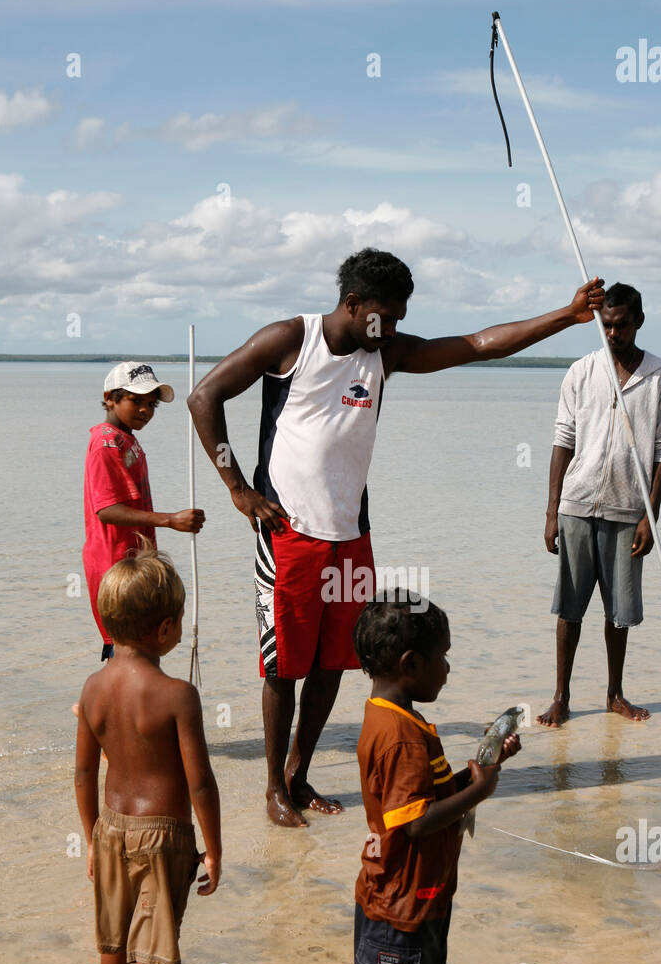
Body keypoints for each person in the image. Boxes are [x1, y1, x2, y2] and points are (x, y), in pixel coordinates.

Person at [188, 248, 602, 826]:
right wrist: (236, 487)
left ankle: (298, 775)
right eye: (387, 316)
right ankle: (271, 789)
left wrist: (566, 315)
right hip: (287, 535)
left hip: (351, 536)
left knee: (334, 664)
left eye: (402, 318)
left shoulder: (384, 353)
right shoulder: (289, 340)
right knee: (284, 669)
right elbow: (204, 397)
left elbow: (480, 344)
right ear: (353, 305)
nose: (396, 329)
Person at [348, 593, 520, 964]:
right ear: (410, 665)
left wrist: (479, 769)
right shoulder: (399, 736)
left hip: (424, 894)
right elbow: (417, 822)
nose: (449, 668)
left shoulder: (403, 718)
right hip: (398, 902)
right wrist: (481, 791)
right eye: (444, 657)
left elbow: (427, 796)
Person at [74, 549, 221, 964]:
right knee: (152, 948)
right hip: (164, 836)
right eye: (179, 619)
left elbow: (84, 773)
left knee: (112, 934)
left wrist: (90, 836)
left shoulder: (93, 688)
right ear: (165, 629)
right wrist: (215, 846)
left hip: (110, 826)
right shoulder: (178, 696)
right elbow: (201, 782)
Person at [537, 283, 661, 727]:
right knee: (569, 610)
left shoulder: (659, 376)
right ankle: (561, 696)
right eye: (605, 325)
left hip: (627, 508)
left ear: (638, 321)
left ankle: (615, 694)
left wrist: (649, 516)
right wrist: (550, 511)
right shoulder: (581, 370)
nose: (612, 333)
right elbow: (563, 440)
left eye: (620, 325)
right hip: (577, 504)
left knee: (618, 613)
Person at [82, 361, 205, 660]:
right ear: (110, 397)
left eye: (151, 404)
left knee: (141, 644)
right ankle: (110, 704)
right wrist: (170, 520)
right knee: (126, 647)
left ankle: (129, 704)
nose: (145, 411)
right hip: (115, 563)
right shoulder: (106, 443)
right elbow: (107, 509)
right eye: (135, 400)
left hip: (133, 560)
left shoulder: (125, 439)